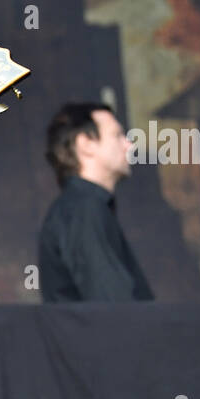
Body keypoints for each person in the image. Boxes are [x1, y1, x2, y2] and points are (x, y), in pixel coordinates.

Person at [37, 103, 155, 302]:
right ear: (86, 144)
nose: (129, 145)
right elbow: (113, 308)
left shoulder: (84, 208)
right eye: (117, 135)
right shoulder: (83, 209)